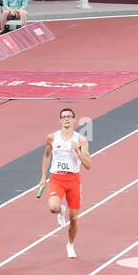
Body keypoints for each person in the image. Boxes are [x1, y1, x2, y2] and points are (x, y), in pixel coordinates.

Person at [40, 107, 93, 259]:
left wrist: (77, 151)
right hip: (56, 178)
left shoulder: (80, 140)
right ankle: (61, 211)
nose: (67, 119)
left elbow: (88, 165)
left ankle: (70, 244)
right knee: (53, 207)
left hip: (73, 180)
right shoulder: (51, 137)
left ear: (74, 120)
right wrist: (43, 176)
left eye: (69, 116)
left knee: (74, 218)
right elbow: (46, 156)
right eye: (64, 117)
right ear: (60, 120)